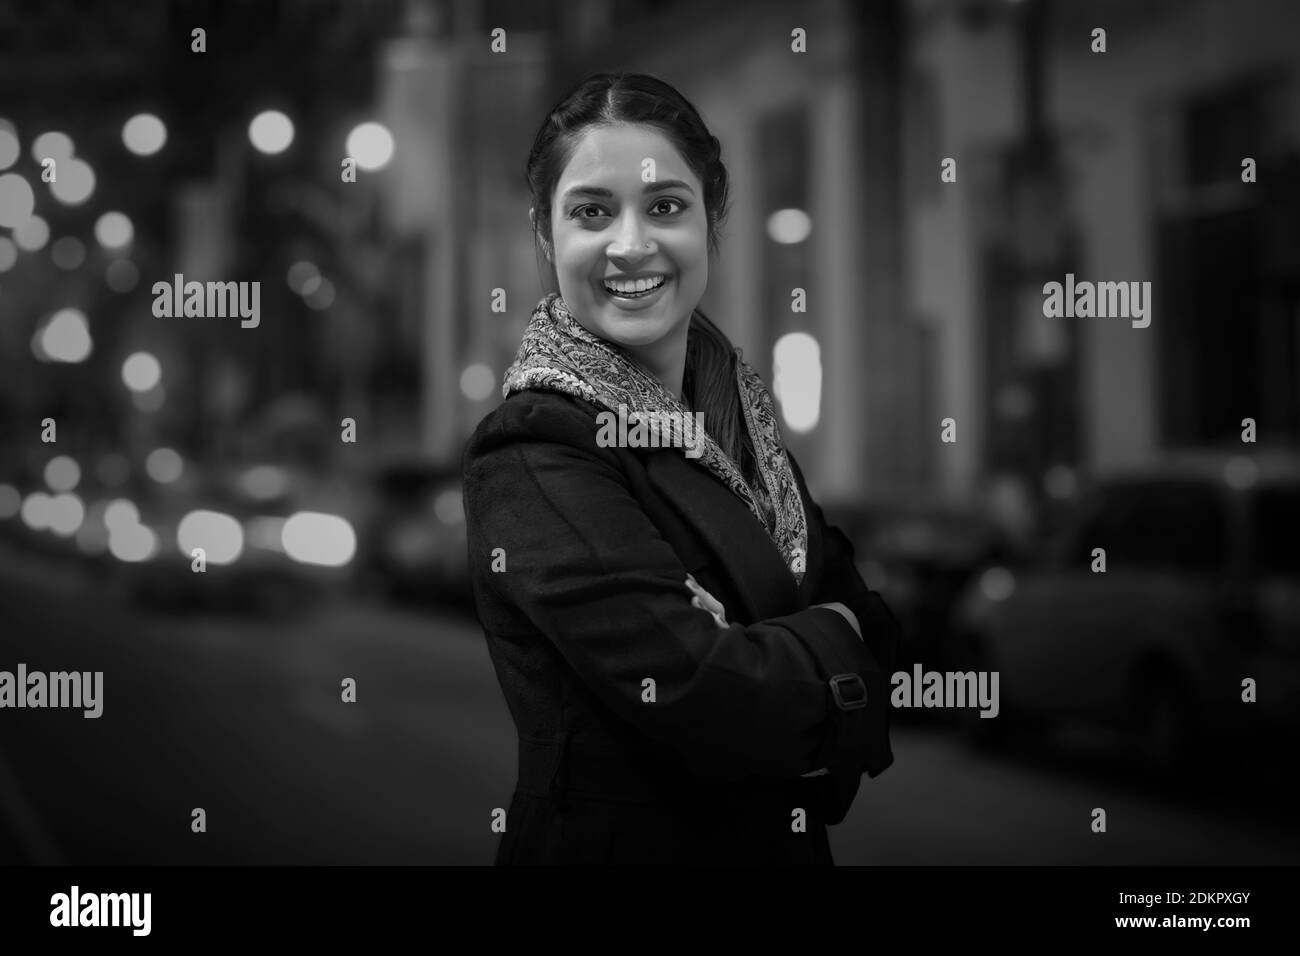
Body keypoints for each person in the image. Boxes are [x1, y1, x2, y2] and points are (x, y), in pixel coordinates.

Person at [462, 72, 900, 866]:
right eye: (591, 211)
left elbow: (884, 636)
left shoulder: (743, 423)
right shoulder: (534, 447)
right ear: (543, 234)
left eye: (666, 206)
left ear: (711, 222)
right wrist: (827, 639)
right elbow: (711, 693)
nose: (632, 245)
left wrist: (789, 647)